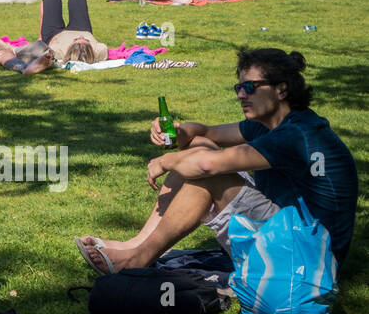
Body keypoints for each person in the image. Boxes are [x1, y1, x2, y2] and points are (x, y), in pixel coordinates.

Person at [76, 48, 357, 273]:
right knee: (200, 148)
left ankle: (140, 257)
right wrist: (176, 134)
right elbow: (205, 133)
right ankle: (137, 245)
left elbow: (208, 165)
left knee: (208, 171)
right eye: (239, 86)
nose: (241, 94)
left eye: (250, 87)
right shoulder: (269, 123)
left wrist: (166, 160)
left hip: (312, 257)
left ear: (281, 90)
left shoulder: (296, 134)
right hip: (295, 232)